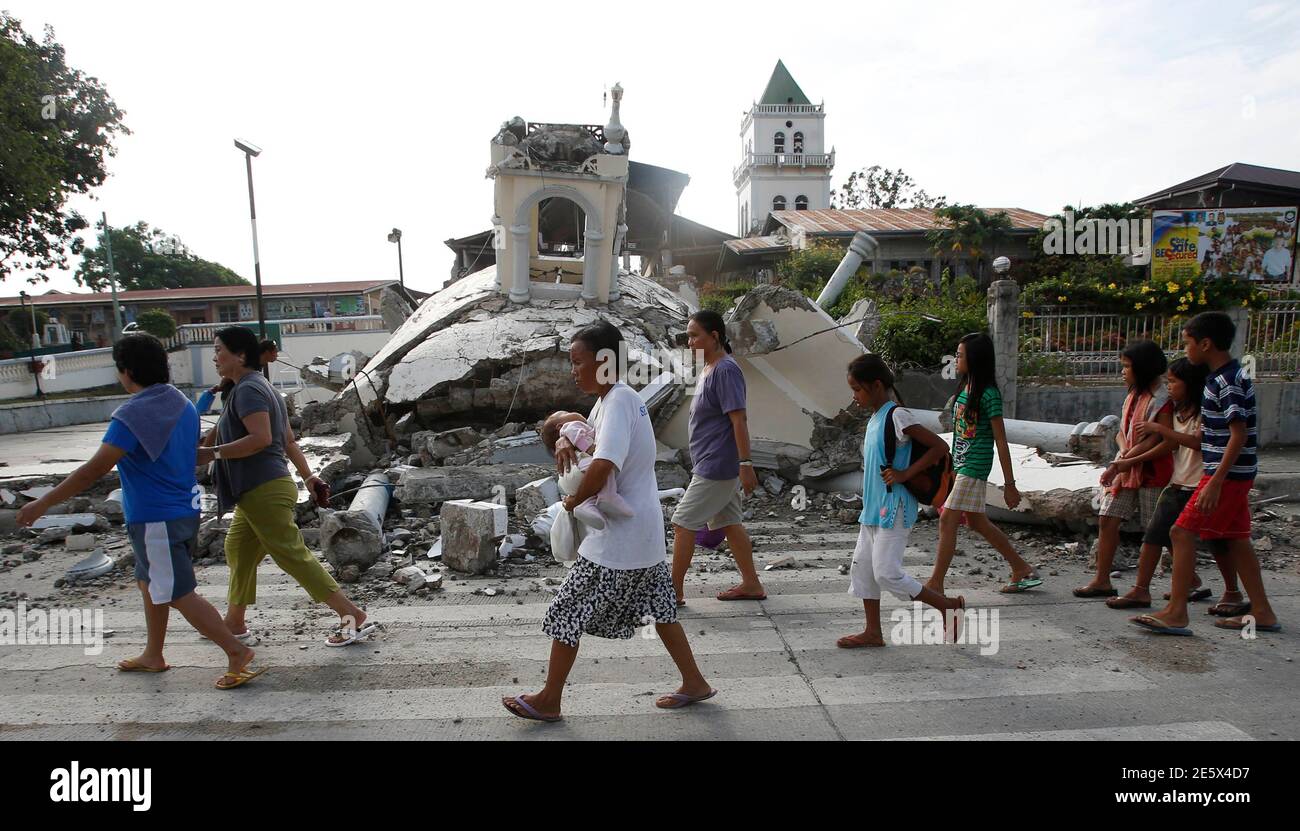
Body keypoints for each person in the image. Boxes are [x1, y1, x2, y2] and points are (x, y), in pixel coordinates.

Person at [16, 334, 264, 690]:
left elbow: (94, 469)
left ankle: (235, 650)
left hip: (155, 517)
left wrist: (43, 502)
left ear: (127, 371)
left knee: (178, 592)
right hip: (182, 510)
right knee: (149, 583)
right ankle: (153, 654)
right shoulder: (180, 402)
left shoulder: (132, 414)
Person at [503, 321, 715, 722]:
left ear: (603, 361)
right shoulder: (611, 400)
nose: (573, 370)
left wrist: (571, 502)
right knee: (660, 610)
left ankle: (550, 699)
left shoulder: (618, 401)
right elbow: (581, 431)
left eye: (577, 362)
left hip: (618, 536)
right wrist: (565, 437)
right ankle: (695, 682)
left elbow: (602, 465)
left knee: (567, 610)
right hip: (640, 532)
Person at [201, 326, 374, 647]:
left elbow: (263, 439)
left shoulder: (250, 391)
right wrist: (310, 477)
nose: (215, 357)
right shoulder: (256, 387)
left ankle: (353, 617)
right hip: (261, 488)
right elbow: (288, 441)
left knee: (292, 556)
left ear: (240, 355)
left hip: (261, 488)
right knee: (237, 549)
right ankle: (234, 623)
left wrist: (211, 453)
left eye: (218, 350)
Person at [1132, 312, 1281, 635]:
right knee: (1237, 540)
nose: (1185, 350)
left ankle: (1177, 611)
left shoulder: (1225, 382)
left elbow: (1237, 435)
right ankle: (1262, 611)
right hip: (1234, 475)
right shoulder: (1227, 377)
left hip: (1226, 475)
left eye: (1187, 343)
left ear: (1205, 343)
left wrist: (1214, 480)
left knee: (1181, 533)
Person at [836, 354, 964, 648]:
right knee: (864, 570)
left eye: (857, 389)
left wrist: (906, 474)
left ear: (876, 385)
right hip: (873, 508)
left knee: (887, 573)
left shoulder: (897, 415)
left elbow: (939, 446)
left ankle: (948, 607)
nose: (854, 396)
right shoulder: (874, 418)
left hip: (894, 507)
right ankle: (872, 632)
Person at [927, 333, 1040, 593]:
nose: (956, 359)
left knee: (947, 520)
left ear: (975, 360)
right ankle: (1021, 568)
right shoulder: (963, 390)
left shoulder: (988, 395)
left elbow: (1001, 441)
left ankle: (936, 583)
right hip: (961, 465)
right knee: (977, 522)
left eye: (960, 355)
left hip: (974, 467)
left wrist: (1010, 484)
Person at [668, 310, 766, 606]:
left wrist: (746, 464)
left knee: (683, 523)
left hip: (717, 466)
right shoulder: (711, 369)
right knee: (730, 523)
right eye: (688, 336)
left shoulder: (725, 370)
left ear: (714, 336)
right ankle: (751, 584)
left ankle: (673, 593)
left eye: (695, 335)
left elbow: (739, 420)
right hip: (712, 462)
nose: (690, 342)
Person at [1107, 358, 1214, 609]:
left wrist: (1160, 429)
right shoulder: (1177, 410)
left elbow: (1193, 442)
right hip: (1177, 483)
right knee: (1155, 536)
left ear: (1191, 384)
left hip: (1196, 484)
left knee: (1218, 542)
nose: (1170, 386)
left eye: (1174, 382)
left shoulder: (1203, 413)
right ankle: (1143, 590)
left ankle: (1210, 593)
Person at [1075, 340, 1172, 598]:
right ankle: (1101, 579)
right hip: (1126, 466)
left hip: (1151, 470)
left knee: (1157, 530)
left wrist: (1125, 459)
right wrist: (1123, 455)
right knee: (1107, 518)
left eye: (1127, 366)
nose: (1123, 371)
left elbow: (1158, 440)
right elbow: (1123, 433)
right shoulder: (1134, 393)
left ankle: (1178, 581)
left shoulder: (1162, 399)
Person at [540, 411, 633, 529]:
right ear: (560, 426)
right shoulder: (571, 425)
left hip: (570, 476)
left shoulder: (570, 430)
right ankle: (608, 496)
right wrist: (592, 449)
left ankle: (587, 505)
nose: (573, 412)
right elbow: (579, 438)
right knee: (604, 467)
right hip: (581, 465)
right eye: (566, 413)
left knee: (598, 481)